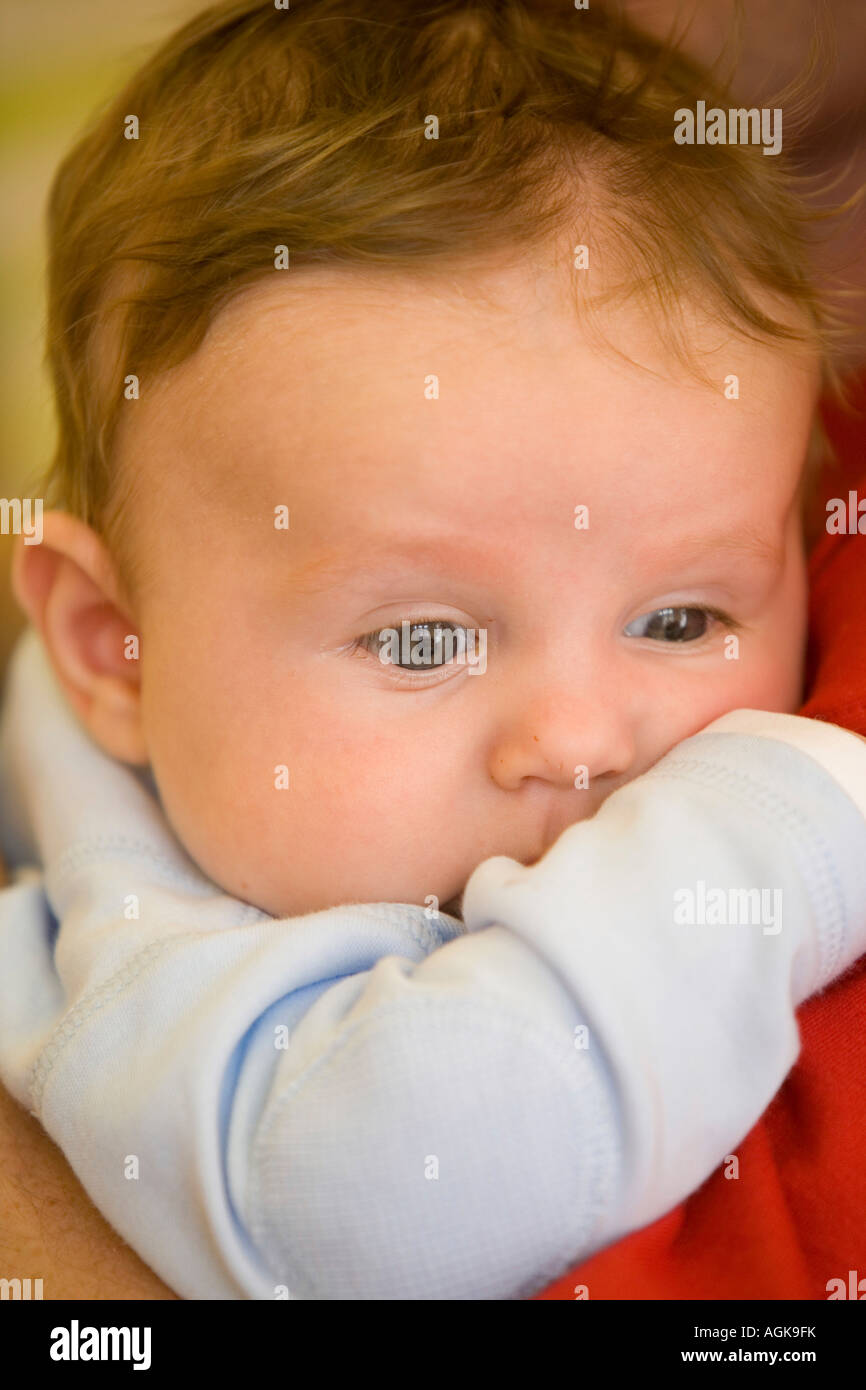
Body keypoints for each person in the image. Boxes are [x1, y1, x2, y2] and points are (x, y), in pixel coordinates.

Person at [1, 0, 865, 1299]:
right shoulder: (149, 959)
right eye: (418, 635)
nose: (579, 740)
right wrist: (794, 827)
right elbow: (416, 1175)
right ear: (115, 648)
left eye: (680, 619)